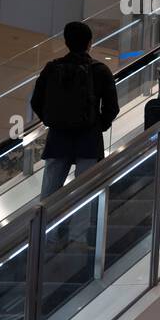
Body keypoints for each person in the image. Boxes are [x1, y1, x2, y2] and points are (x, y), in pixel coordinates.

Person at [30, 21, 120, 244]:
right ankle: (77, 241)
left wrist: (53, 121)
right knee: (84, 192)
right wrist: (98, 125)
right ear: (90, 43)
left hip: (58, 139)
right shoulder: (100, 70)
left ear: (66, 42)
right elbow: (112, 107)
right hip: (88, 140)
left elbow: (36, 101)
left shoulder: (51, 68)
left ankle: (44, 240)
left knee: (49, 194)